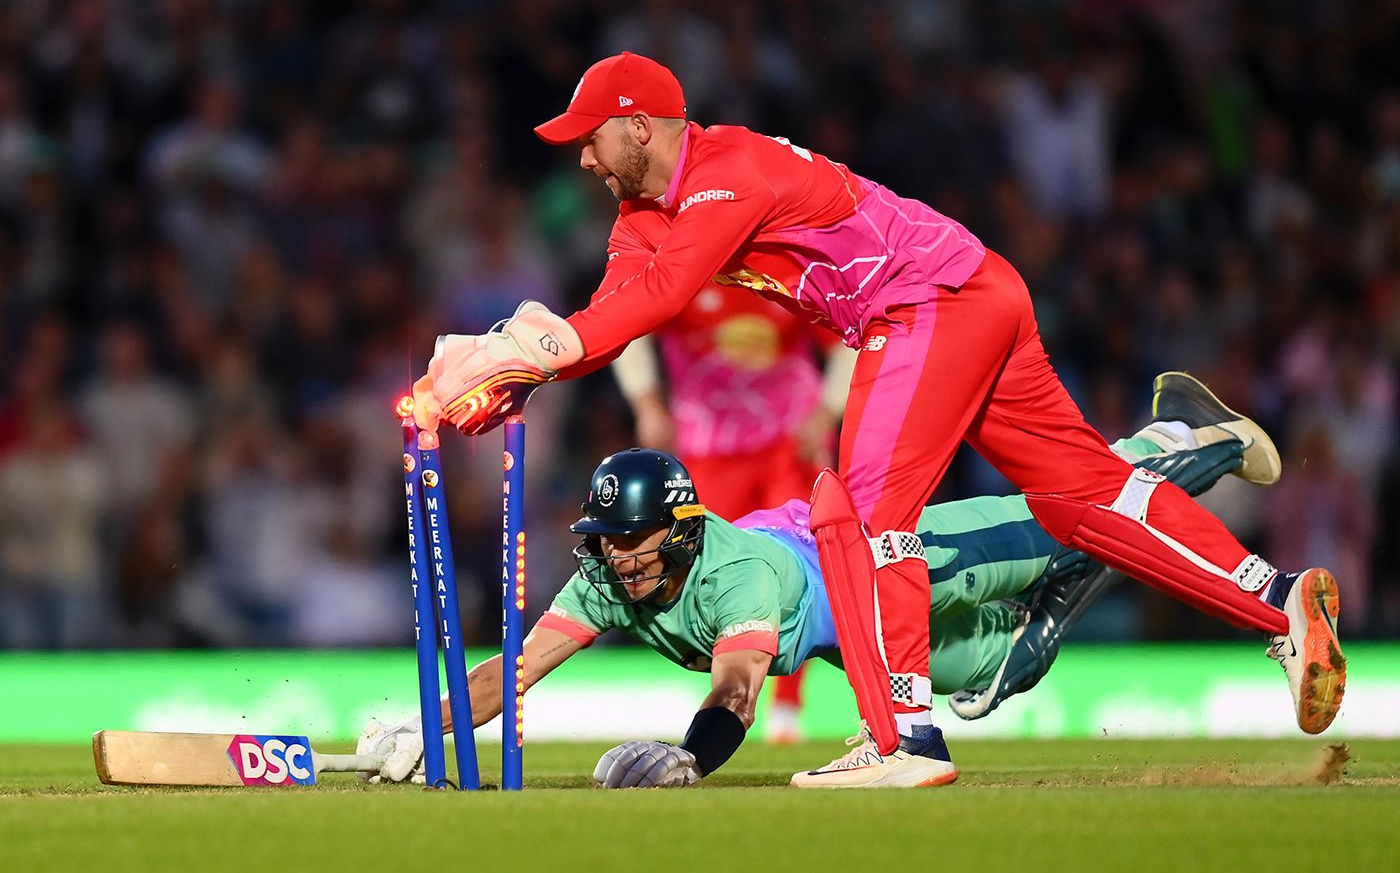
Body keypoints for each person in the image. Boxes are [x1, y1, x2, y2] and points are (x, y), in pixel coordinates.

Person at [409, 52, 1345, 787]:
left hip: (926, 304)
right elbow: (616, 315)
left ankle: (906, 735)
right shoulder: (647, 214)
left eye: (590, 139)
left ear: (640, 129)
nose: (581, 157)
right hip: (973, 289)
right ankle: (1278, 601)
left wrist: (532, 347)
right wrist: (528, 373)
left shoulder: (729, 171)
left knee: (860, 513)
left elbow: (651, 306)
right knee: (1085, 499)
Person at [362, 375, 1293, 788]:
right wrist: (428, 721)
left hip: (893, 561)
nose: (620, 559)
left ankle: (1181, 436)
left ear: (681, 528)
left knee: (1060, 521)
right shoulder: (610, 579)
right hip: (864, 644)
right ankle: (1076, 583)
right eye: (608, 542)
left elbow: (735, 689)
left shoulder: (739, 577)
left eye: (636, 540)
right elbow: (515, 669)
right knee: (1003, 671)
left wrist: (689, 758)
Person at [611, 283, 856, 742]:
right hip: (709, 450)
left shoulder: (780, 273)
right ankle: (727, 694)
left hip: (789, 445)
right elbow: (626, 327)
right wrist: (647, 403)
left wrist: (826, 412)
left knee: (806, 568)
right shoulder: (684, 277)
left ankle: (787, 707)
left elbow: (849, 337)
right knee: (709, 574)